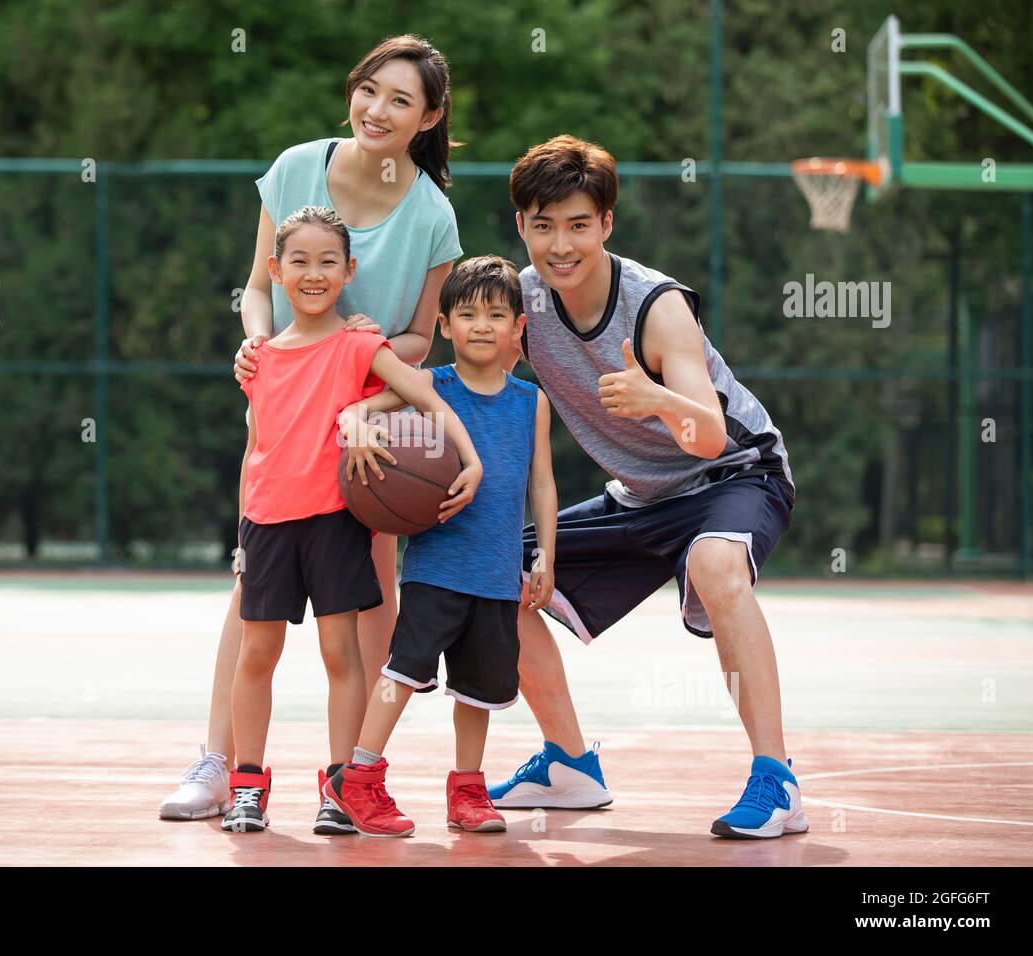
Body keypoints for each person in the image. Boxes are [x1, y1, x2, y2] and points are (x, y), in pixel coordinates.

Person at [160, 35, 464, 828]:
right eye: (370, 90)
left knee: (370, 610)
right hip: (287, 415)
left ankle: (352, 780)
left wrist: (361, 368)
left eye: (402, 100)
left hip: (372, 431)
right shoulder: (297, 166)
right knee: (249, 601)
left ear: (428, 119)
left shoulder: (433, 214)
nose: (378, 109)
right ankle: (222, 765)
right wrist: (258, 345)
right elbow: (258, 289)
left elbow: (422, 343)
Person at [488, 135, 808, 839]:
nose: (561, 244)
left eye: (578, 225)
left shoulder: (656, 308)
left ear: (606, 224)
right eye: (543, 226)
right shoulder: (523, 304)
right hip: (639, 495)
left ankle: (775, 779)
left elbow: (710, 437)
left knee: (714, 562)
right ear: (522, 227)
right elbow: (464, 365)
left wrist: (657, 399)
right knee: (495, 574)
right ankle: (569, 764)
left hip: (734, 474)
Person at [221, 206, 483, 833]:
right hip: (266, 524)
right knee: (257, 653)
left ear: (350, 270)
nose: (314, 274)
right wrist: (240, 536)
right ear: (275, 271)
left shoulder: (360, 346)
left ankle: (339, 787)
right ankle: (246, 784)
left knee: (341, 653)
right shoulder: (259, 359)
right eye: (300, 262)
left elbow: (426, 391)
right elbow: (254, 448)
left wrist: (469, 459)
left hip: (336, 523)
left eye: (328, 261)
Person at [319, 256, 557, 836]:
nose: (481, 325)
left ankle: (468, 791)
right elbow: (354, 412)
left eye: (496, 314)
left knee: (479, 692)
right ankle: (360, 775)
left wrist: (544, 552)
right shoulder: (427, 387)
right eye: (468, 313)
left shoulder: (532, 402)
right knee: (401, 673)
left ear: (517, 328)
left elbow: (542, 481)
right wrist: (362, 434)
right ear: (445, 325)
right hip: (435, 571)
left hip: (499, 574)